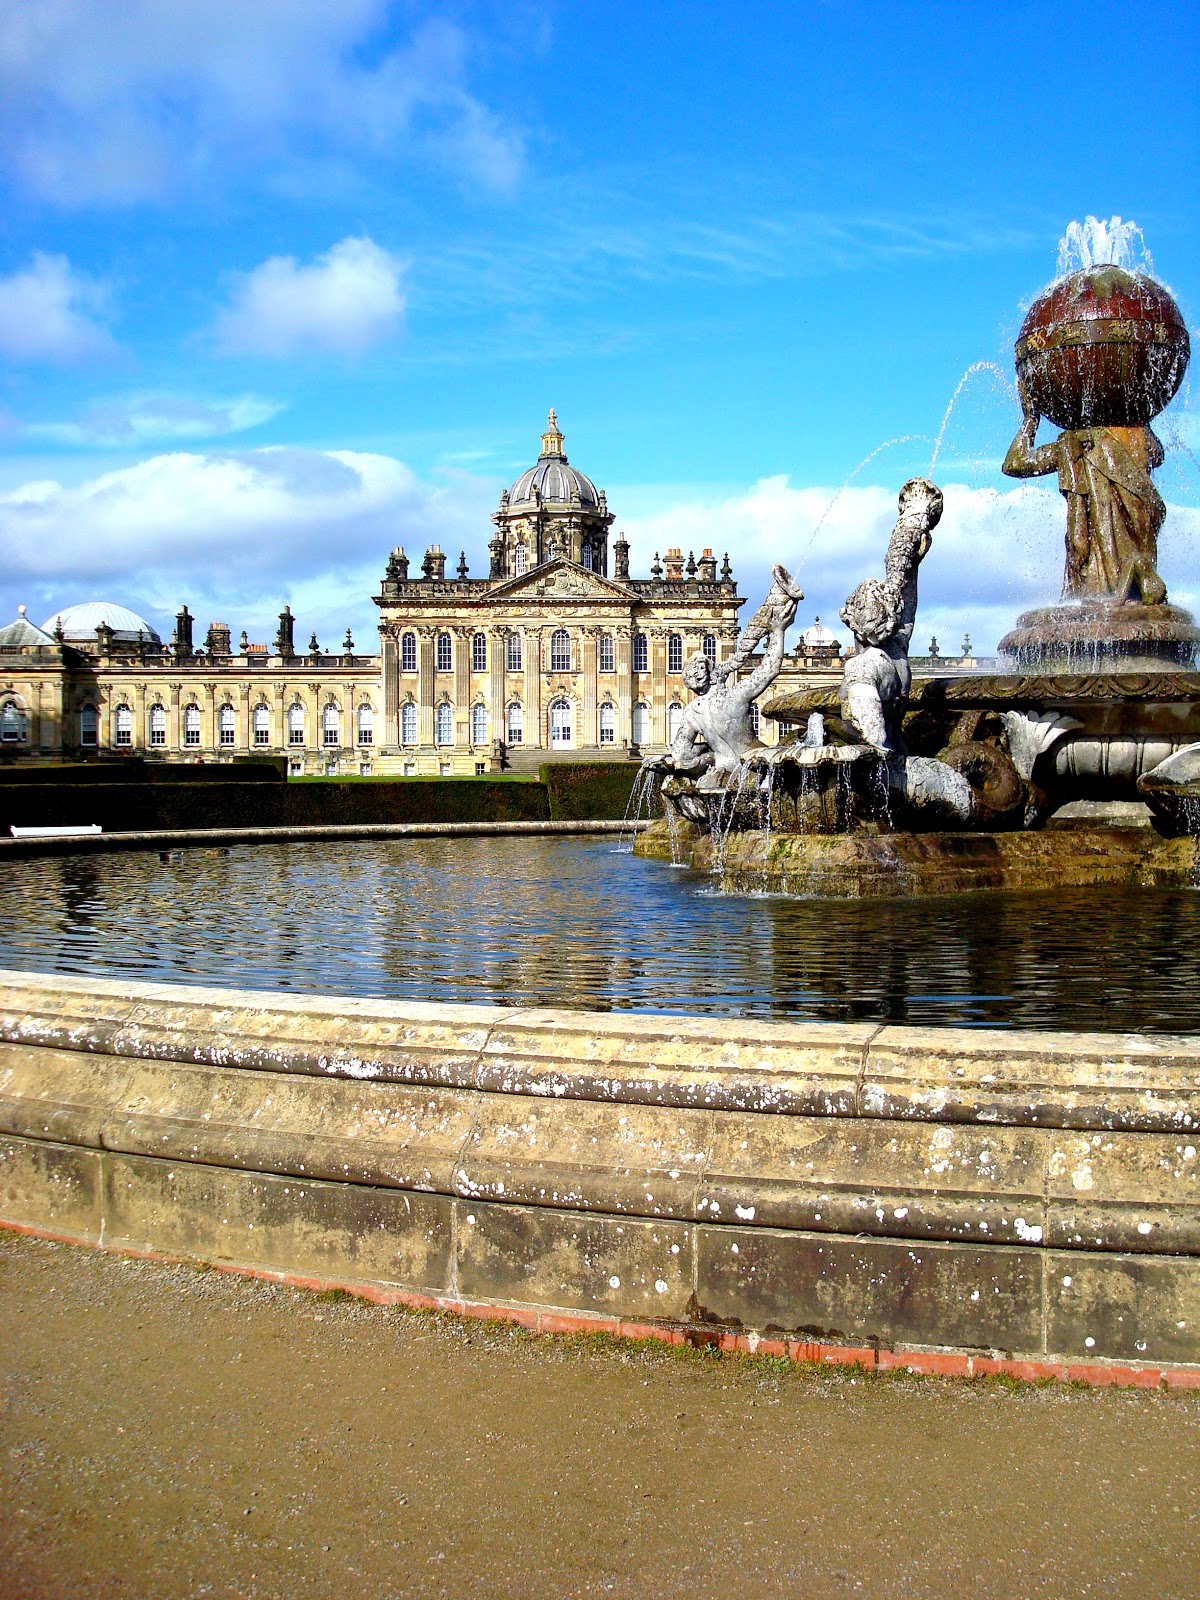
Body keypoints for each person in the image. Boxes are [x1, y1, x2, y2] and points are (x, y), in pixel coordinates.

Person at [1003, 374, 1167, 605]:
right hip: (1116, 573)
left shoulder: (1080, 444)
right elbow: (1014, 465)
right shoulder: (1080, 443)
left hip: (1115, 579)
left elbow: (1015, 463)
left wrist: (1031, 419)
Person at [647, 565, 802, 783]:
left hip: (720, 777)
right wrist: (778, 630)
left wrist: (708, 752)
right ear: (713, 675)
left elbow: (680, 755)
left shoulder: (692, 713)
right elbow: (770, 668)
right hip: (757, 773)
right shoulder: (735, 696)